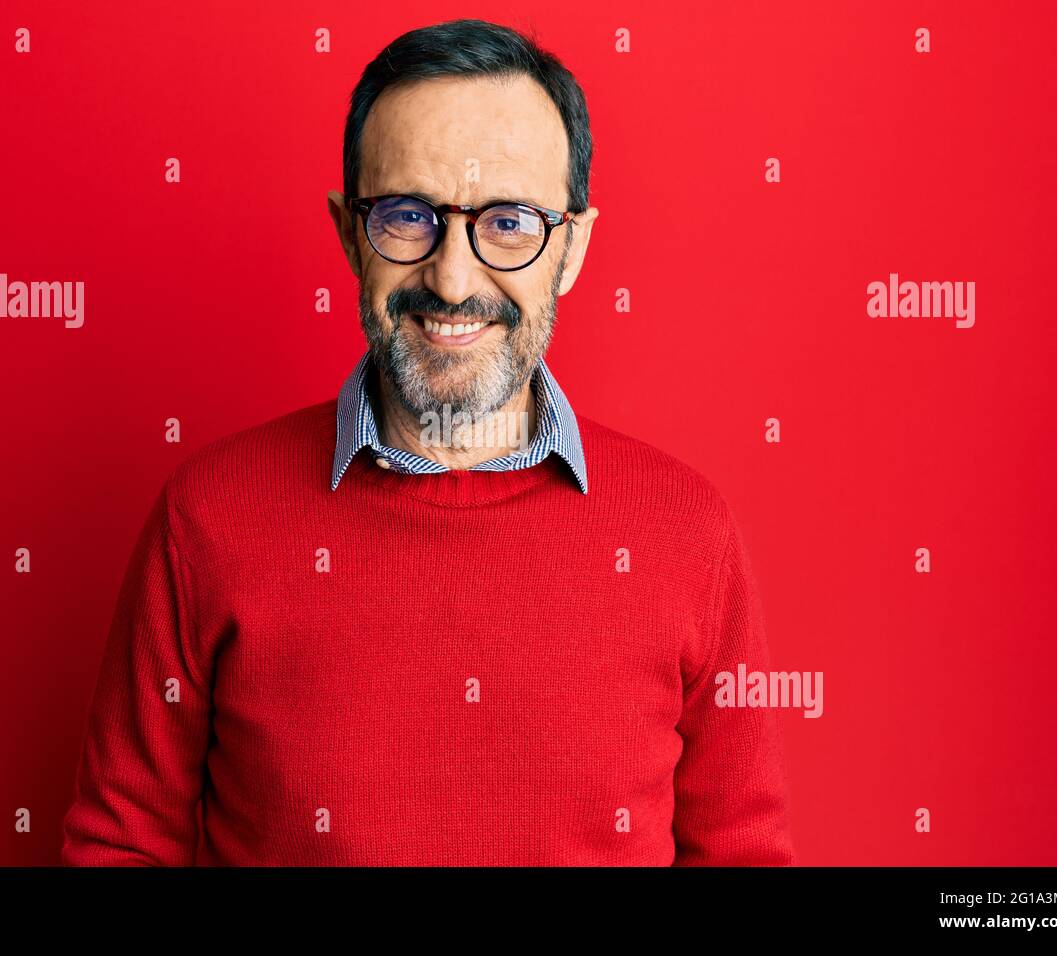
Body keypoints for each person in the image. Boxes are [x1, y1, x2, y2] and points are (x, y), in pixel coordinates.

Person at [61, 17, 796, 866]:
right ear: (348, 231)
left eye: (510, 222)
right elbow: (121, 845)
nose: (452, 279)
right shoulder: (209, 517)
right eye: (409, 216)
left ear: (574, 247)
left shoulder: (684, 532)